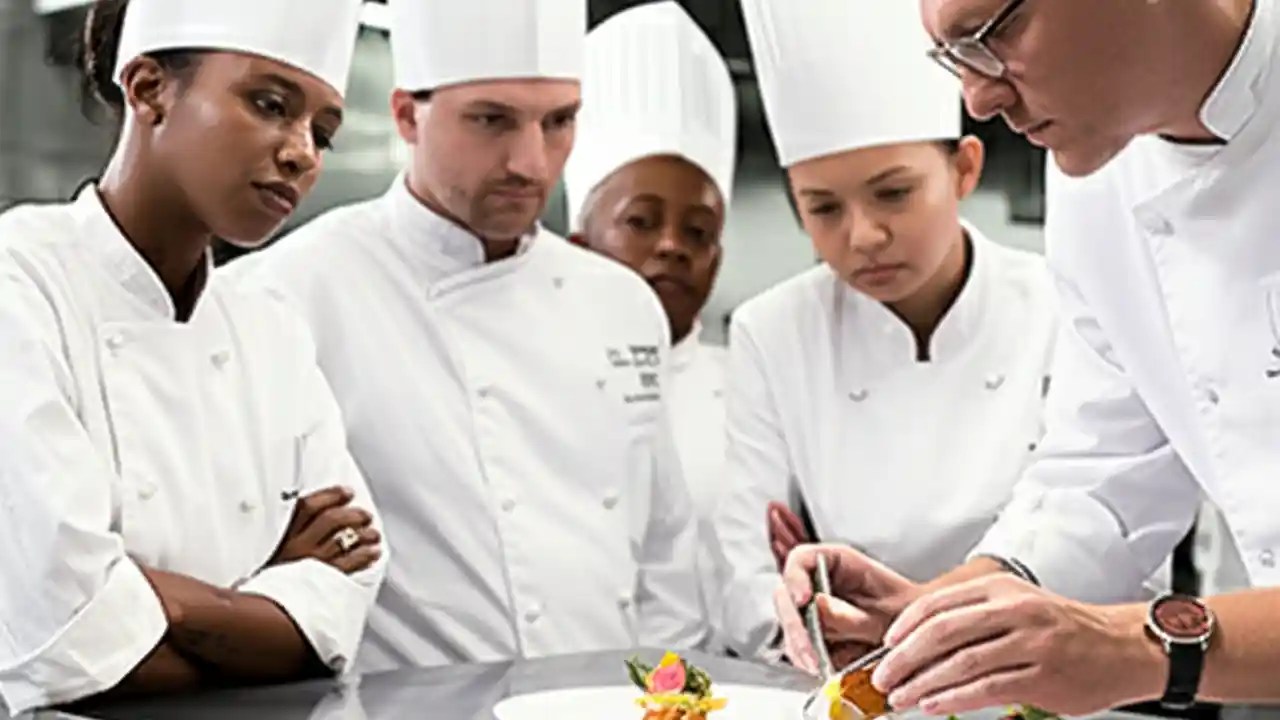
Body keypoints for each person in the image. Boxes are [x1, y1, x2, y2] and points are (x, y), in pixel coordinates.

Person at [777, 0, 1280, 714]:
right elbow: (1105, 471)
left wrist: (1136, 650)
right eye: (954, 57)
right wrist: (950, 616)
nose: (978, 100)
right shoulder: (1096, 171)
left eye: (994, 32)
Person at [227, 0, 705, 672]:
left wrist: (663, 699)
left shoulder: (622, 302)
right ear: (406, 116)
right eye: (491, 120)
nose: (530, 163)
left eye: (559, 121)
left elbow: (665, 557)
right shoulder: (284, 296)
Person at [0, 0, 385, 714]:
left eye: (323, 132)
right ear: (148, 89)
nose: (303, 153)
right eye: (270, 105)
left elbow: (342, 598)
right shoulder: (20, 283)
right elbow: (58, 641)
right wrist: (263, 602)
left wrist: (146, 600)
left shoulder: (268, 324)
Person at [717, 0, 1059, 662]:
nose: (863, 237)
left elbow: (1102, 540)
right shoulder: (773, 333)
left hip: (1043, 679)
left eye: (894, 194)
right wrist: (802, 614)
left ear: (964, 169)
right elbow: (749, 579)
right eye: (823, 208)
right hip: (855, 685)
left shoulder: (1059, 307)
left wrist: (881, 613)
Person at [563, 0, 738, 650]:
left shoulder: (754, 389)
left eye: (699, 232)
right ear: (579, 244)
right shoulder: (531, 382)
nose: (672, 247)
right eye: (641, 221)